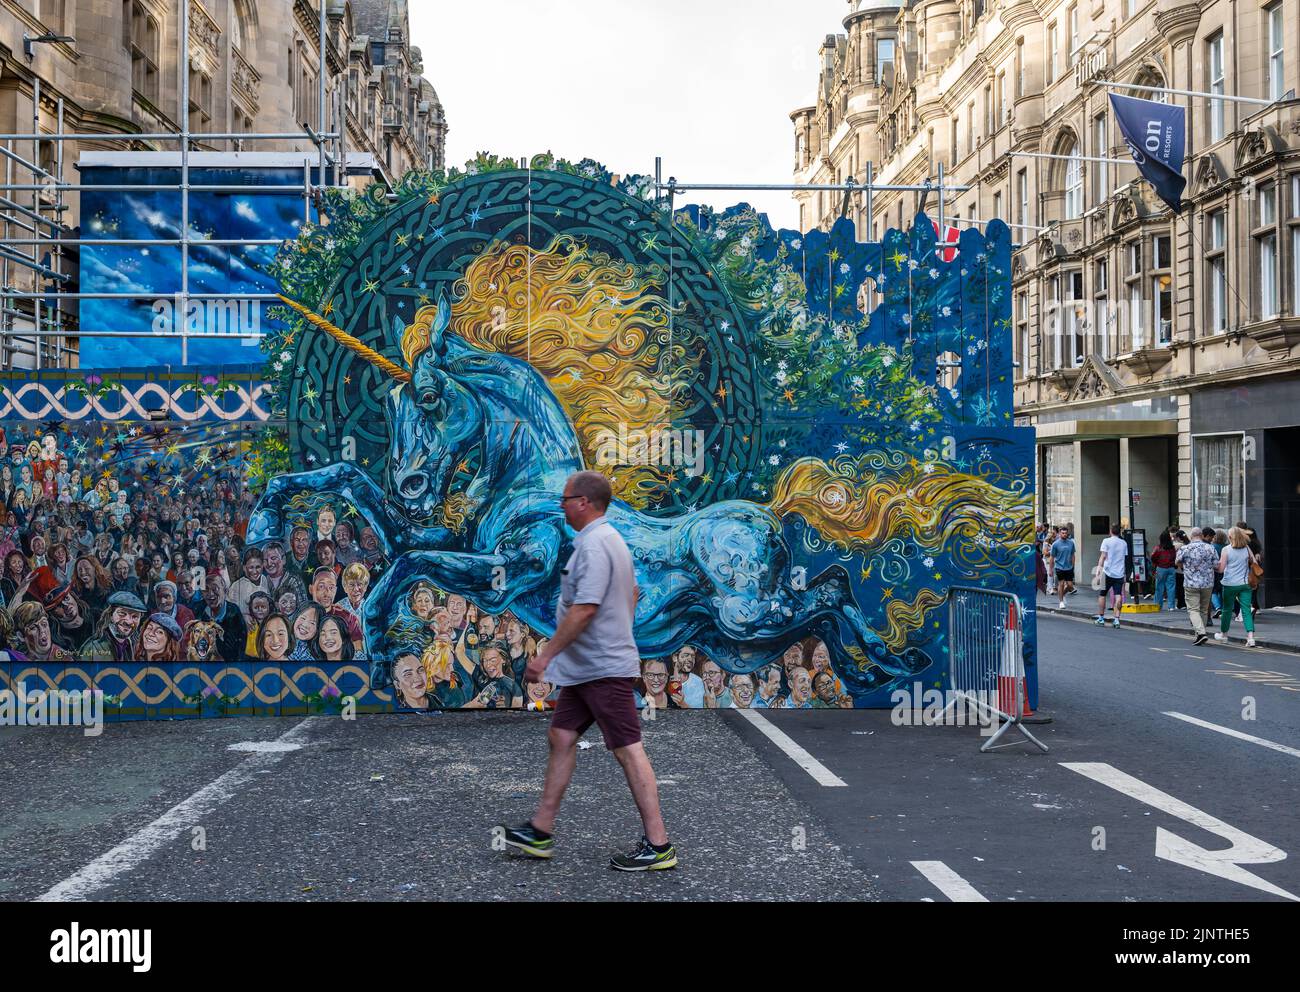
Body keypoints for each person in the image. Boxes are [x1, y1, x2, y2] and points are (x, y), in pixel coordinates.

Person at [499, 470, 675, 871]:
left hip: (601, 669)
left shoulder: (596, 545)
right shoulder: (605, 541)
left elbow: (585, 608)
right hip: (587, 668)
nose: (561, 505)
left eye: (565, 498)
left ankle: (659, 844)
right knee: (561, 736)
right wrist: (618, 633)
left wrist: (545, 657)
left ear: (583, 502)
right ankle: (540, 832)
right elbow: (631, 593)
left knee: (628, 750)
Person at [1216, 526, 1260, 648]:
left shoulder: (1226, 550)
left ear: (1230, 537)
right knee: (1246, 611)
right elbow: (1254, 564)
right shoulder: (1247, 549)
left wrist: (1214, 565)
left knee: (1226, 610)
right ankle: (1251, 638)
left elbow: (1220, 569)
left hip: (1230, 584)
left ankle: (1224, 635)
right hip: (1245, 584)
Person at [1177, 526, 1218, 646]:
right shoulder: (1210, 548)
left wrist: (1184, 567)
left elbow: (1177, 561)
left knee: (1193, 609)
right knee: (1204, 610)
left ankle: (1201, 633)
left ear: (1191, 536)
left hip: (1191, 583)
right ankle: (1200, 633)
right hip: (1207, 583)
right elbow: (1216, 565)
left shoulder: (1185, 548)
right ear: (1201, 535)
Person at [1093, 523, 1128, 629]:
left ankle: (1101, 618)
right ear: (1119, 532)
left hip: (1107, 573)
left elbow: (1103, 556)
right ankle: (1117, 620)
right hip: (1119, 574)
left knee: (1102, 594)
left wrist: (1098, 569)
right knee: (1118, 595)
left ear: (1110, 531)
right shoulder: (1124, 543)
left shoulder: (1106, 541)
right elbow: (1124, 558)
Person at [1050, 525, 1076, 610]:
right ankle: (1061, 602)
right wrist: (1050, 570)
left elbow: (1073, 555)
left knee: (1070, 586)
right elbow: (1052, 557)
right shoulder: (1055, 544)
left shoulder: (1071, 543)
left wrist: (1073, 565)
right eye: (1062, 533)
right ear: (1060, 534)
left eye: (1065, 533)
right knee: (1061, 584)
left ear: (1067, 534)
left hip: (1069, 567)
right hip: (1059, 567)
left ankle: (1063, 594)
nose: (1064, 534)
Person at [1151, 531, 1178, 611]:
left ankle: (1158, 605)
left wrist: (1156, 564)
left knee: (1159, 587)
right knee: (1171, 587)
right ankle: (1171, 606)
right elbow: (1175, 557)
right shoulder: (1172, 548)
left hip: (1161, 568)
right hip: (1171, 569)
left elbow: (1153, 557)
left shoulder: (1158, 548)